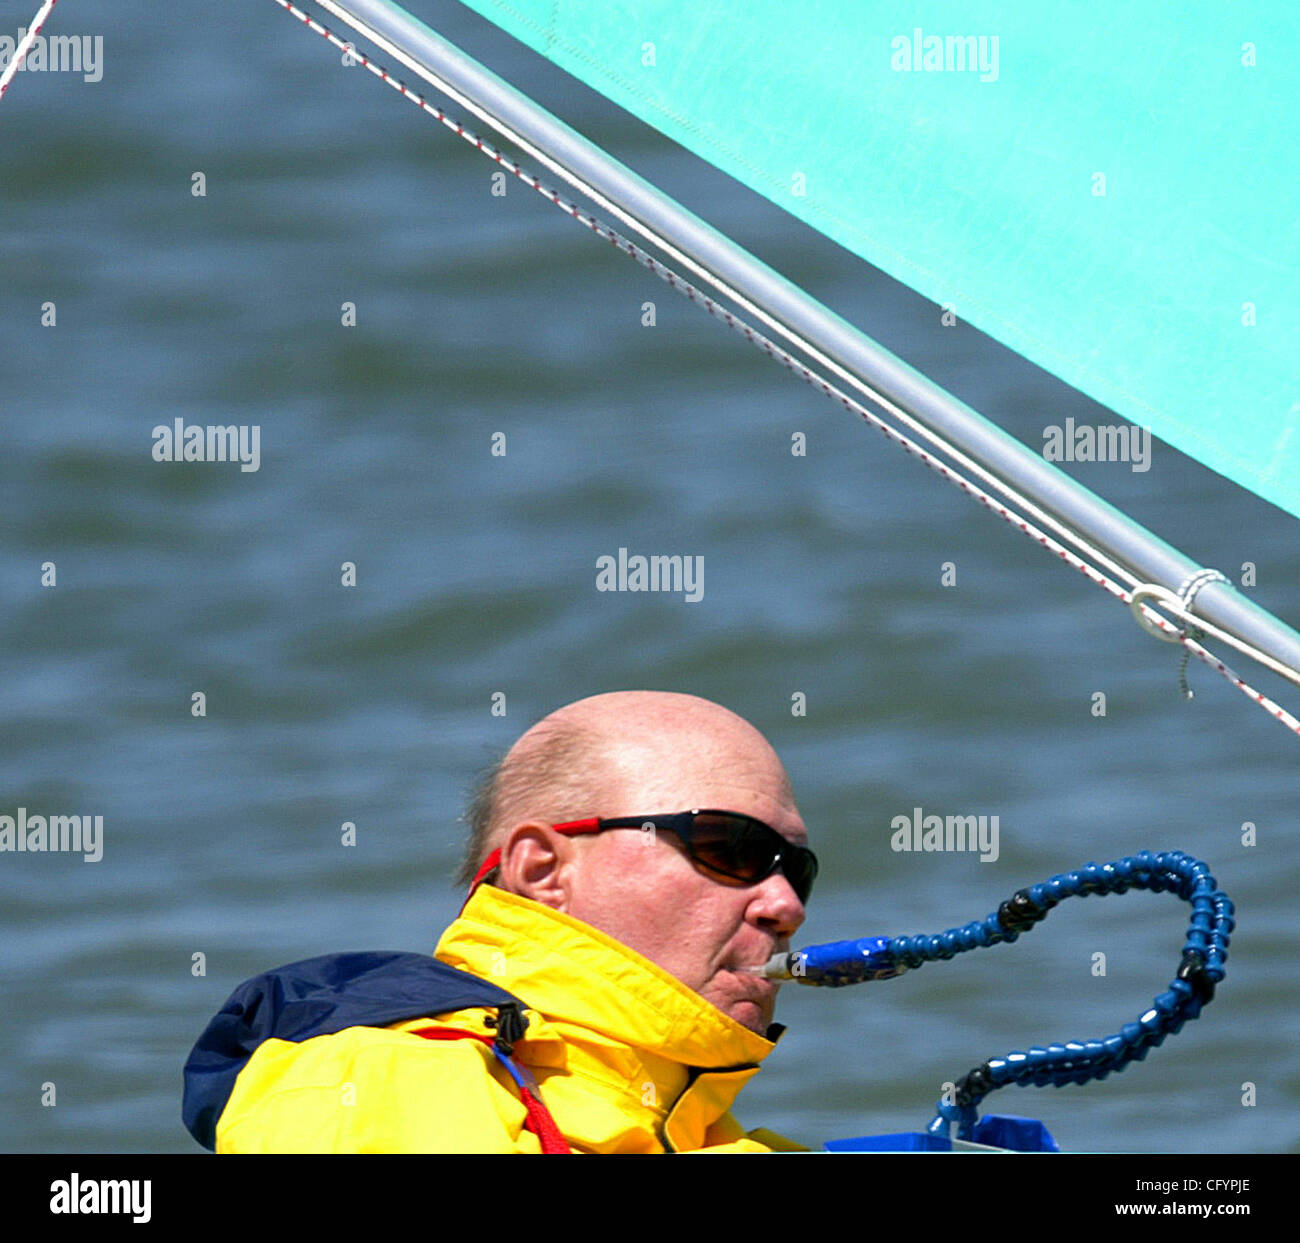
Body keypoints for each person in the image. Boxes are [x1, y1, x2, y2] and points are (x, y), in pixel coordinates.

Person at [182, 691, 815, 1153]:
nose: (786, 905)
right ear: (543, 871)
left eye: (798, 871)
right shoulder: (391, 1073)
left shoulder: (713, 1134)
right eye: (730, 849)